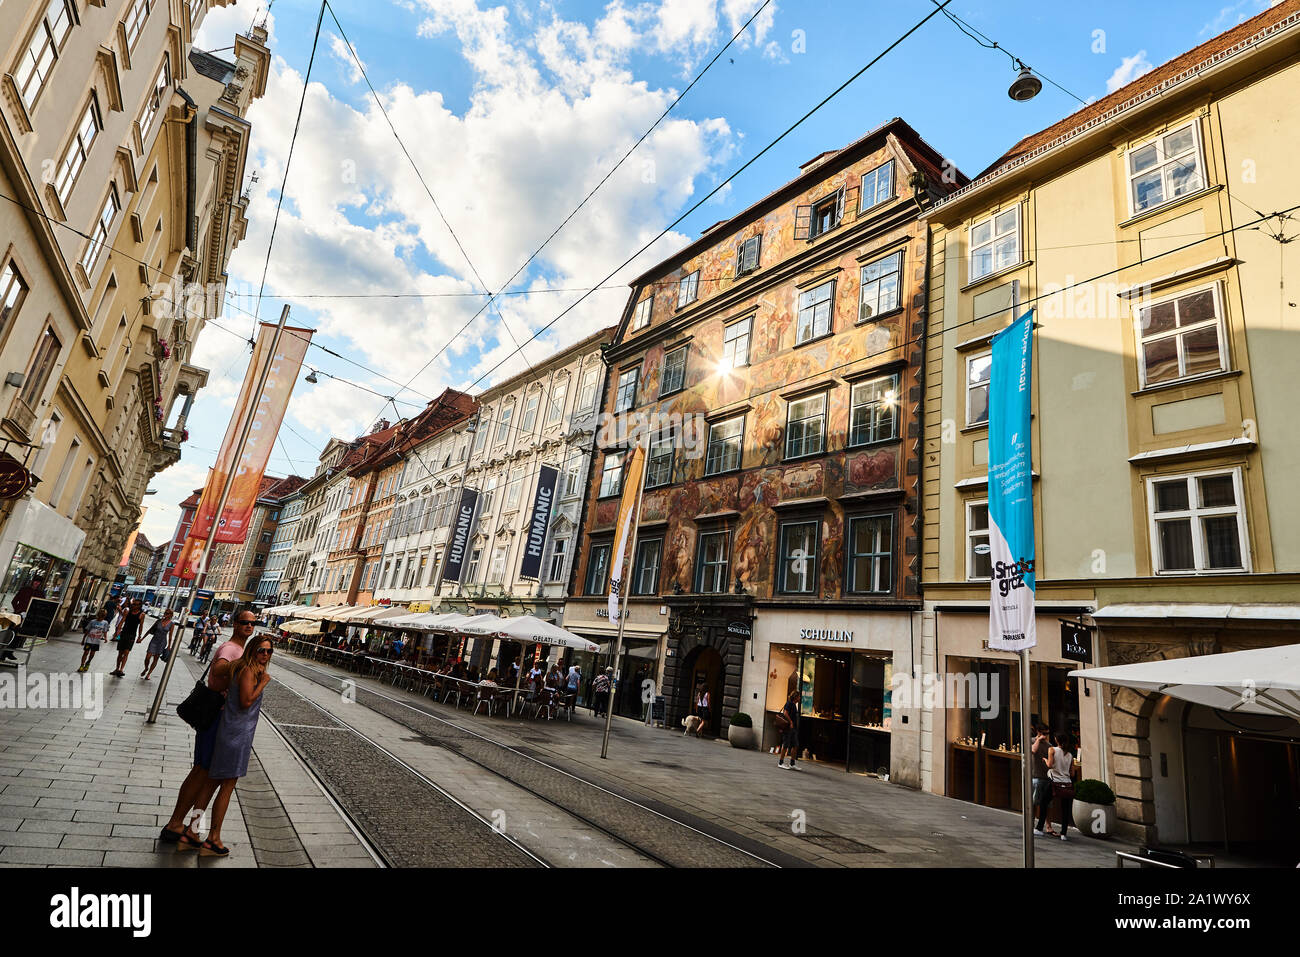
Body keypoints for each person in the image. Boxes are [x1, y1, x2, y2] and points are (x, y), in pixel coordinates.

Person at [162, 610, 258, 851]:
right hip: (217, 716)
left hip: (223, 718)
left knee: (206, 774)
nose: (249, 626)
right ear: (235, 623)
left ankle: (187, 827)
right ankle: (175, 823)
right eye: (245, 622)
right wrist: (246, 664)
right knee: (202, 772)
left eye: (252, 623)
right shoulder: (230, 649)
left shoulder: (239, 648)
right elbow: (218, 671)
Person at [200, 633, 273, 856]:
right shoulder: (249, 671)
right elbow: (246, 701)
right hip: (236, 735)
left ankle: (192, 832)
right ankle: (213, 839)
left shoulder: (243, 667)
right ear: (252, 650)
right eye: (261, 650)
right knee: (227, 786)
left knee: (211, 784)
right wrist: (263, 683)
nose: (266, 655)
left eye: (269, 651)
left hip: (231, 731)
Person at [1047, 732, 1078, 841]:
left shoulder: (1052, 750)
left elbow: (1050, 765)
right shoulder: (1070, 755)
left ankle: (1041, 827)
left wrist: (1045, 760)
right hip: (1067, 784)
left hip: (1055, 782)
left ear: (1056, 740)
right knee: (1065, 809)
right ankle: (1064, 834)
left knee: (1044, 802)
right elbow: (1072, 773)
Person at [110, 599, 146, 677]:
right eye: (134, 604)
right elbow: (122, 621)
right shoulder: (127, 611)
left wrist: (139, 636)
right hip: (124, 633)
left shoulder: (141, 614)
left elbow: (141, 626)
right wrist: (118, 631)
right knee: (120, 653)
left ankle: (121, 670)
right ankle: (117, 668)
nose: (134, 606)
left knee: (126, 652)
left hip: (132, 635)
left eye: (136, 604)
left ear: (140, 606)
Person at [1032, 724, 1055, 836]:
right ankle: (1030, 824)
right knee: (1034, 802)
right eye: (1044, 733)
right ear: (1039, 732)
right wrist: (1038, 739)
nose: (1046, 736)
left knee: (1047, 804)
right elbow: (1033, 750)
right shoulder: (1032, 741)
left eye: (1047, 733)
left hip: (1046, 777)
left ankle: (1048, 825)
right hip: (1036, 776)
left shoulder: (1049, 745)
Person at [140, 610, 174, 679]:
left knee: (156, 658)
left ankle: (149, 674)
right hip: (154, 641)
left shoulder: (171, 624)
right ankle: (146, 668)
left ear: (171, 615)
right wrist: (142, 638)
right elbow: (150, 630)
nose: (165, 614)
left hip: (162, 642)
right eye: (165, 613)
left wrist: (169, 646)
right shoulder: (158, 621)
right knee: (147, 657)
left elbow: (170, 636)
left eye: (167, 613)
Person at [777, 690, 801, 770]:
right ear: (795, 697)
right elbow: (785, 713)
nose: (799, 698)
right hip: (788, 727)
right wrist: (790, 722)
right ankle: (780, 762)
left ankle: (792, 763)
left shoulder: (794, 705)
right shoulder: (789, 703)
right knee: (786, 745)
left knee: (795, 745)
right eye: (799, 696)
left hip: (793, 728)